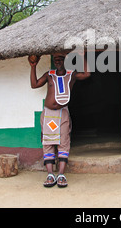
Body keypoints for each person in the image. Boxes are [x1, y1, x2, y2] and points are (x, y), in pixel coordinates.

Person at [28, 52, 90, 188]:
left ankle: (61, 174)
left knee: (63, 141)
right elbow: (34, 84)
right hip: (49, 113)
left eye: (61, 59)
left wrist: (82, 56)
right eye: (56, 59)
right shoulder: (49, 75)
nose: (58, 61)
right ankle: (50, 174)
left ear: (65, 61)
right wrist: (33, 66)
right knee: (48, 142)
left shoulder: (71, 75)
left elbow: (86, 74)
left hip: (63, 113)